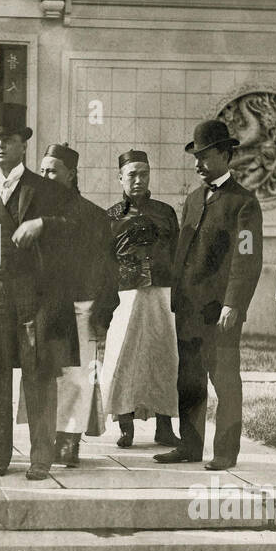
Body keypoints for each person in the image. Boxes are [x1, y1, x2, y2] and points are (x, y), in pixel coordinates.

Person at [0, 103, 77, 481]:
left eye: (8, 139)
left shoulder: (44, 189)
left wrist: (43, 223)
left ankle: (41, 457)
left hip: (34, 293)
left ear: (22, 145)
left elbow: (79, 226)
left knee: (37, 372)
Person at [157, 119, 263, 471]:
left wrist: (234, 304)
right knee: (188, 380)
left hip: (219, 312)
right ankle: (189, 446)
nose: (199, 164)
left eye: (205, 156)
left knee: (225, 382)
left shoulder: (243, 204)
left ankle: (225, 452)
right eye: (195, 157)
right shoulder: (193, 199)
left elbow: (247, 260)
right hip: (188, 309)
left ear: (226, 155)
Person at [37, 143, 118, 467]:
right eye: (42, 170)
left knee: (77, 377)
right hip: (45, 306)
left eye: (53, 170)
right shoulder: (33, 213)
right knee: (47, 375)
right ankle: (45, 438)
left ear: (71, 174)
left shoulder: (93, 216)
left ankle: (70, 442)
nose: (46, 176)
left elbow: (110, 270)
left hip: (80, 306)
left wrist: (103, 310)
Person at [101, 150, 182, 450]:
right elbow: (104, 261)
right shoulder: (110, 216)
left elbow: (176, 253)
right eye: (131, 174)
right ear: (120, 177)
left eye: (143, 173)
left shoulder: (165, 212)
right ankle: (126, 426)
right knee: (124, 357)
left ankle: (165, 426)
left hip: (162, 293)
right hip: (126, 295)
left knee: (164, 357)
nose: (138, 180)